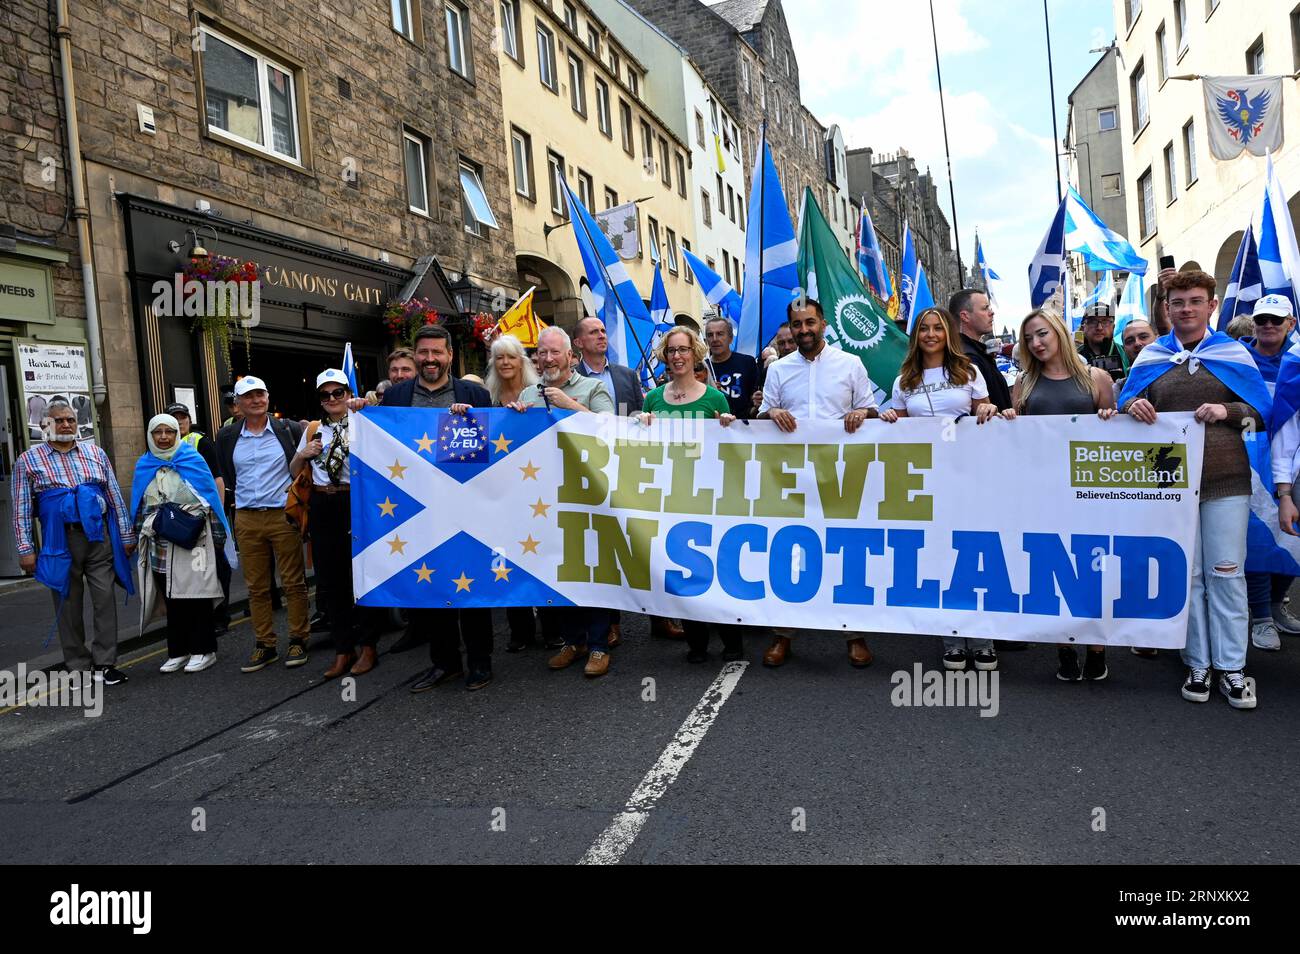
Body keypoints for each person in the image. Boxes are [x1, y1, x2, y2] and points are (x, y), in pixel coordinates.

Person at [1116, 270, 1267, 709]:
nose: (1185, 309)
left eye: (1195, 301)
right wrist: (1133, 404)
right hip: (1170, 482)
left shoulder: (1233, 353)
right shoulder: (1151, 357)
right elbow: (1126, 402)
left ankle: (1233, 667)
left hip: (1226, 479)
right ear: (1166, 308)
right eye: (1177, 302)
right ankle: (1198, 661)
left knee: (1226, 572)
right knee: (1190, 574)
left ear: (1211, 305)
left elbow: (1260, 412)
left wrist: (1228, 408)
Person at [881, 307, 1015, 671]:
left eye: (937, 328)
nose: (930, 334)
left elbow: (981, 410)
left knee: (975, 553)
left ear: (947, 333)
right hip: (927, 480)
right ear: (916, 336)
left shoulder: (967, 371)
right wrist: (891, 417)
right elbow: (900, 430)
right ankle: (953, 639)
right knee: (939, 558)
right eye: (923, 329)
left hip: (969, 475)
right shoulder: (904, 380)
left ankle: (984, 640)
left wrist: (987, 409)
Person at [758, 296, 879, 670]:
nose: (804, 330)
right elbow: (763, 415)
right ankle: (784, 634)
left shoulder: (850, 364)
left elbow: (871, 408)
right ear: (790, 328)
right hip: (792, 478)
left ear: (823, 323)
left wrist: (862, 412)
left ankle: (853, 635)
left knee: (842, 554)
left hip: (840, 475)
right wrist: (772, 412)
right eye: (797, 325)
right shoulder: (778, 370)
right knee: (791, 554)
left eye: (810, 322)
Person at [382, 324, 496, 692]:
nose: (430, 359)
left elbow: (495, 449)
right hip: (419, 508)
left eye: (437, 353)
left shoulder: (474, 394)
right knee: (431, 587)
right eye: (424, 353)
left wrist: (472, 422)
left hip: (468, 506)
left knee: (471, 586)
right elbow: (383, 446)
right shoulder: (396, 395)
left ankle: (480, 662)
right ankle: (444, 663)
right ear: (415, 356)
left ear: (450, 355)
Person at [1014, 308, 1116, 682]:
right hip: (1044, 490)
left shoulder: (1096, 378)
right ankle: (1064, 648)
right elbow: (1018, 441)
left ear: (1058, 332)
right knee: (1053, 566)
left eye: (1042, 334)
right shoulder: (1023, 384)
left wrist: (1110, 418)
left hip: (1090, 490)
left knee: (1092, 566)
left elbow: (1115, 436)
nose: (1036, 343)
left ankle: (1097, 646)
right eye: (1029, 339)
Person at [511, 326, 617, 677]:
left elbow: (611, 429)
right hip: (545, 497)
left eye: (555, 352)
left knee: (594, 570)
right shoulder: (529, 391)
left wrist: (569, 405)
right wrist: (512, 414)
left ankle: (600, 646)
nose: (547, 358)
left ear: (571, 356)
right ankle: (574, 641)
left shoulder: (593, 387)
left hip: (589, 495)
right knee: (562, 568)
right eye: (541, 352)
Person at [635, 327, 742, 662]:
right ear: (664, 357)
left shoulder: (714, 398)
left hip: (708, 495)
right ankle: (696, 641)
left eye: (683, 350)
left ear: (695, 353)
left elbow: (730, 448)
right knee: (682, 569)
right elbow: (642, 448)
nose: (677, 356)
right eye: (671, 351)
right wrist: (640, 422)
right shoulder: (653, 399)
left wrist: (729, 424)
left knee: (716, 567)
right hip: (671, 497)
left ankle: (732, 641)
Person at [12, 400, 136, 684]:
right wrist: (25, 549)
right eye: (59, 420)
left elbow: (114, 494)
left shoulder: (95, 453)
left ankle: (105, 664)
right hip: (60, 539)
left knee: (104, 599)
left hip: (97, 535)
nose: (66, 424)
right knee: (68, 604)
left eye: (70, 419)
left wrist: (126, 535)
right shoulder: (28, 460)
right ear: (45, 425)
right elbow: (20, 508)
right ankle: (78, 666)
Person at [215, 376, 310, 673]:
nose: (256, 400)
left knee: (293, 582)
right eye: (249, 396)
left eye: (261, 395)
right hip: (246, 518)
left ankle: (298, 639)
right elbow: (228, 474)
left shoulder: (287, 429)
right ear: (239, 404)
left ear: (268, 398)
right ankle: (265, 644)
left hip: (282, 514)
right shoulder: (227, 436)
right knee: (257, 588)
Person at [292, 369, 380, 679]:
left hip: (353, 502)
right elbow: (294, 472)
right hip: (321, 503)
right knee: (330, 581)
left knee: (360, 576)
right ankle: (344, 649)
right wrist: (302, 455)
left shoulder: (364, 422)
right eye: (325, 395)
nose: (332, 399)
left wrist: (366, 409)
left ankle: (369, 646)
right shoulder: (314, 429)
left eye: (337, 393)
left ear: (348, 393)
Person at [130, 413, 228, 674]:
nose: (163, 437)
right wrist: (139, 530)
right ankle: (178, 651)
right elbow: (138, 505)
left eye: (169, 432)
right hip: (159, 546)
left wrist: (219, 539)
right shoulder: (144, 464)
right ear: (150, 436)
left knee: (196, 598)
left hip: (193, 543)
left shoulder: (192, 459)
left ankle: (204, 650)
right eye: (157, 432)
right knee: (171, 600)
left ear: (177, 433)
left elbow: (212, 502)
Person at [1240, 295, 1299, 651]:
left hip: (1291, 463)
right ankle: (1260, 617)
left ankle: (1277, 606)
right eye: (1262, 320)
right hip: (1248, 458)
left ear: (1290, 323)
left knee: (1291, 537)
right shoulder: (1237, 359)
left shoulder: (1296, 361)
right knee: (1258, 536)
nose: (1268, 326)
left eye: (1276, 320)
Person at [485, 333, 544, 653]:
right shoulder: (487, 397)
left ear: (521, 360)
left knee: (539, 555)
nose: (505, 363)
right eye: (499, 358)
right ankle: (520, 630)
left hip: (536, 491)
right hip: (499, 491)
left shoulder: (537, 394)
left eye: (511, 356)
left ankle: (552, 628)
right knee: (504, 558)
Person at [949, 288, 1013, 411]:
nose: (991, 312)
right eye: (985, 308)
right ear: (965, 316)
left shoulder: (976, 352)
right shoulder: (966, 357)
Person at [574, 316, 644, 415]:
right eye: (593, 332)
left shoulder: (628, 375)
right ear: (579, 343)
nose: (601, 336)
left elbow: (641, 413)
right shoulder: (571, 378)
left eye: (603, 331)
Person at [704, 316, 760, 419]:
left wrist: (757, 402)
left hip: (744, 427)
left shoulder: (747, 363)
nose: (715, 339)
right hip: (713, 427)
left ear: (730, 338)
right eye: (710, 335)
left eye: (720, 334)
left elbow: (755, 399)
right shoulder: (702, 368)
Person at [1078, 302, 1125, 382]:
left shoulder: (1126, 353)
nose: (1099, 327)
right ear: (1083, 327)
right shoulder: (1074, 357)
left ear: (1113, 327)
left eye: (1105, 321)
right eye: (1093, 322)